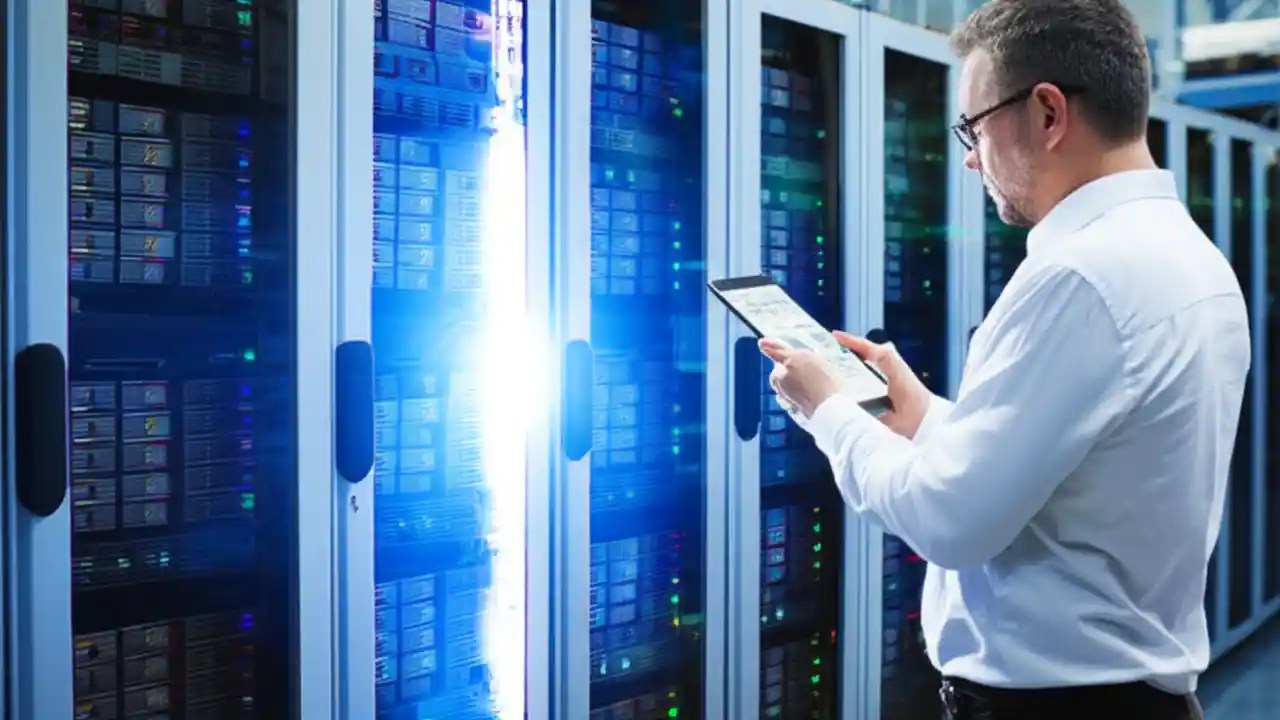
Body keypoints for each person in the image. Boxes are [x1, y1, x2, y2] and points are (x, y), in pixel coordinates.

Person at [758, 1, 1250, 718]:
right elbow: (1071, 469)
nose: (969, 156)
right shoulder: (1185, 255)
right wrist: (922, 415)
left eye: (975, 126)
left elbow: (949, 520)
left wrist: (827, 409)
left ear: (1048, 113)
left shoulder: (1083, 276)